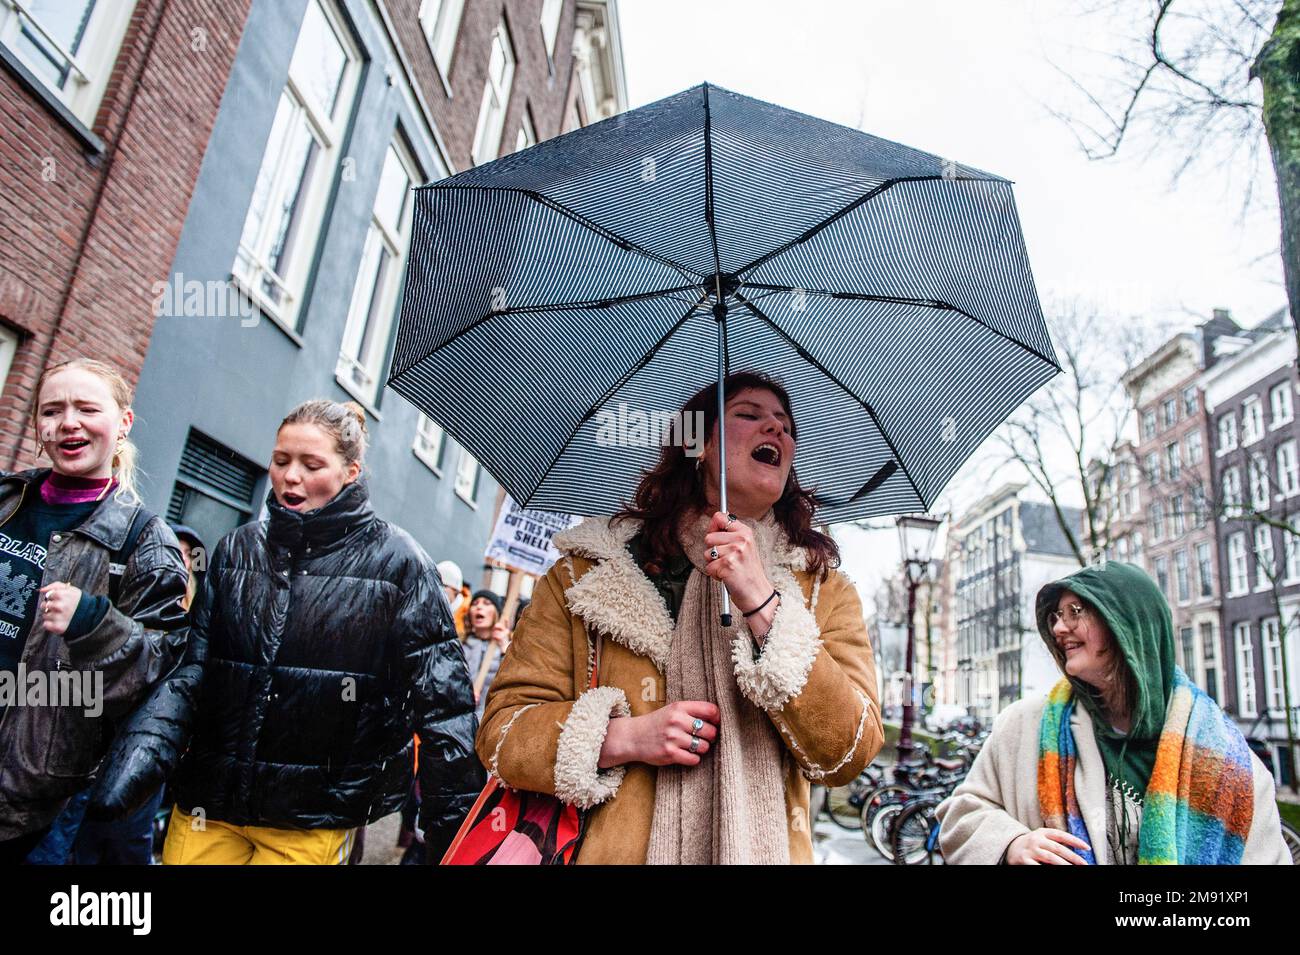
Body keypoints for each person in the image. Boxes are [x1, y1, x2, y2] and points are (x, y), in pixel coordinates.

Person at [477, 372, 884, 863]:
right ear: (699, 446)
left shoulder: (822, 590)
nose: (776, 431)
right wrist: (624, 738)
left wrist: (760, 599)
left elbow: (849, 752)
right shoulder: (586, 572)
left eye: (786, 425)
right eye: (749, 415)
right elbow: (501, 733)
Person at [104, 398, 482, 864]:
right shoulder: (235, 550)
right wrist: (143, 754)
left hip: (313, 817)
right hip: (210, 803)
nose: (290, 476)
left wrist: (452, 823)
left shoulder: (400, 564)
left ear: (351, 472)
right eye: (281, 460)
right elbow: (191, 670)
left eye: (311, 464)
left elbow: (444, 706)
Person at [937, 561, 1291, 865]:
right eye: (1057, 615)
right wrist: (1010, 843)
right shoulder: (1021, 727)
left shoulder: (1231, 762)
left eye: (1076, 612)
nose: (1059, 628)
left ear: (1127, 626)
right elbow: (961, 812)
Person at [0, 358, 188, 863]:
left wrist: (93, 625)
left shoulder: (146, 541)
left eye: (87, 408)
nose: (68, 423)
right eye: (52, 410)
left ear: (123, 422)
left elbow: (161, 666)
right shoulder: (5, 500)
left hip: (38, 798)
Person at [460, 589, 509, 720]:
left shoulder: (508, 648)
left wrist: (505, 647)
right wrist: (463, 694)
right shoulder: (459, 645)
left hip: (489, 722)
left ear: (496, 613)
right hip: (461, 720)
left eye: (486, 603)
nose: (479, 607)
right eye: (475, 603)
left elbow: (511, 684)